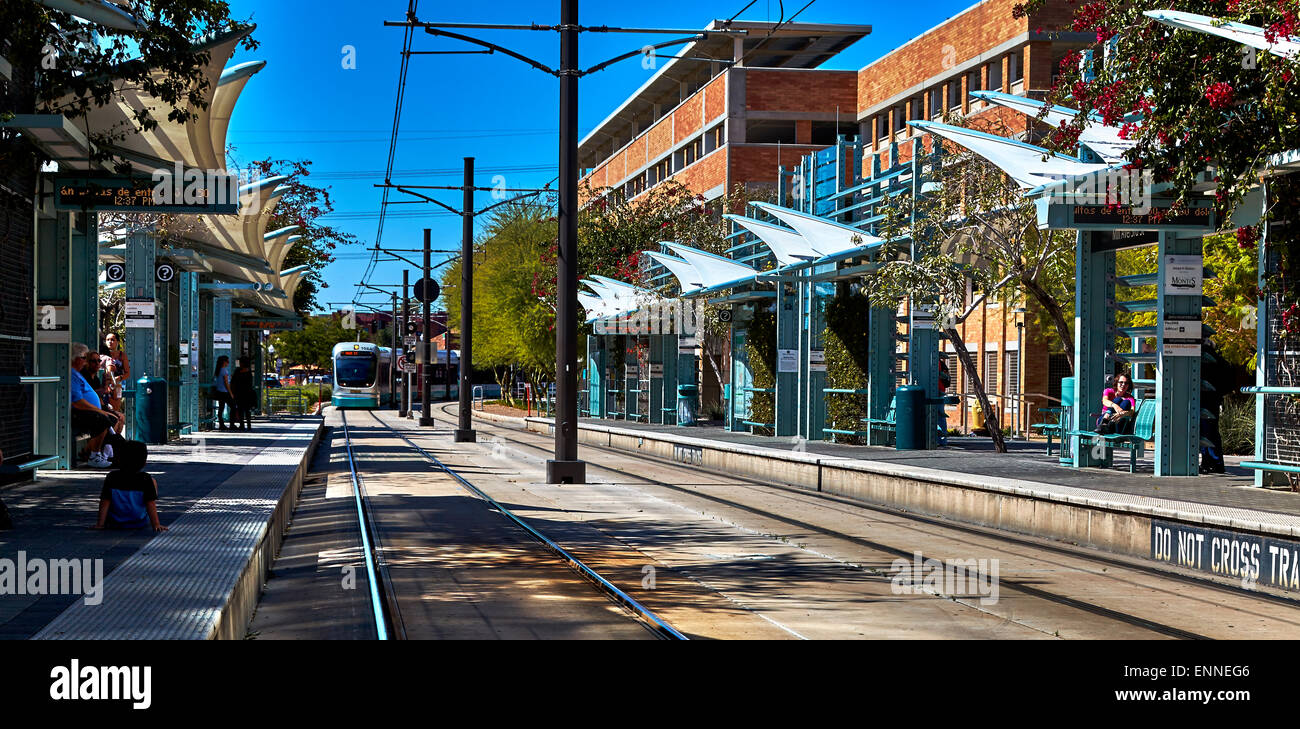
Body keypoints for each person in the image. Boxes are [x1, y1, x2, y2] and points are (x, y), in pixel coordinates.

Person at [70, 342, 124, 467]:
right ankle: (94, 455)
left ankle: (106, 452)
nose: (85, 362)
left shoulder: (78, 374)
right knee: (103, 419)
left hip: (90, 410)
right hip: (79, 412)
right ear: (76, 359)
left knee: (112, 418)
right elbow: (77, 401)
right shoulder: (73, 374)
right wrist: (99, 410)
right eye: (84, 358)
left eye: (98, 361)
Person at [93, 440, 166, 531]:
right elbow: (150, 503)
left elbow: (105, 500)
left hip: (115, 522)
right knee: (153, 482)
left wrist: (100, 524)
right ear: (144, 462)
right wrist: (156, 524)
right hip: (138, 522)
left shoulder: (112, 476)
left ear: (119, 459)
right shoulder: (145, 479)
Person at [1201, 340, 1229, 474]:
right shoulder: (1219, 359)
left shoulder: (1205, 360)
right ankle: (1214, 462)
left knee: (1205, 431)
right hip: (1213, 399)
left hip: (1205, 399)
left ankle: (1210, 462)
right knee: (1211, 431)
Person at [230, 356, 256, 431]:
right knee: (247, 410)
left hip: (239, 393)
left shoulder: (237, 371)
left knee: (240, 409)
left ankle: (242, 425)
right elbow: (250, 384)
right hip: (247, 393)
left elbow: (233, 382)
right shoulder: (249, 372)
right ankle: (249, 425)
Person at [213, 355, 234, 431]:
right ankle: (232, 424)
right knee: (233, 407)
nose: (228, 363)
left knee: (221, 408)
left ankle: (221, 424)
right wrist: (230, 393)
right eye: (227, 361)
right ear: (224, 362)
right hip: (224, 392)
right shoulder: (224, 370)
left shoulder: (218, 370)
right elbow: (226, 383)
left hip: (219, 391)